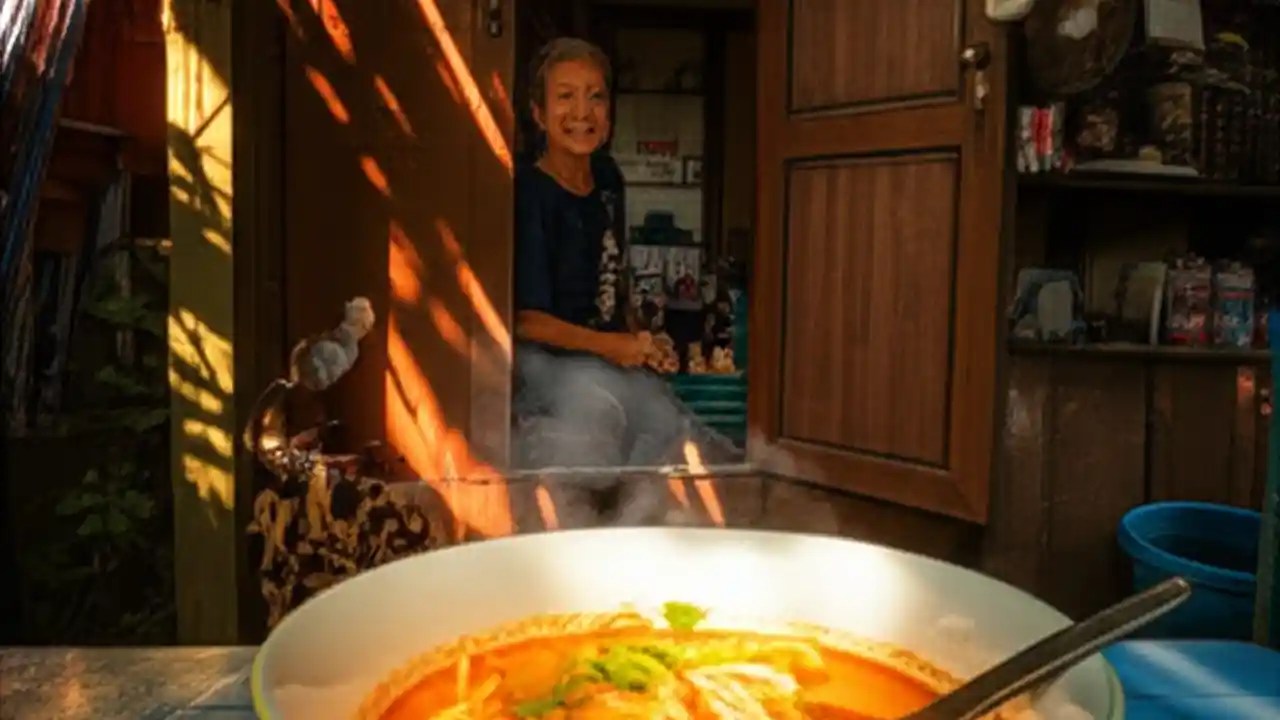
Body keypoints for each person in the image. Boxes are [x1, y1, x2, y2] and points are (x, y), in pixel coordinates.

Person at [512, 38, 733, 524]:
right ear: (539, 112)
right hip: (548, 357)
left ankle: (628, 531)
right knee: (602, 415)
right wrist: (614, 348)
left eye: (595, 96)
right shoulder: (530, 191)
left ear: (609, 113)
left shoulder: (609, 178)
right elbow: (527, 322)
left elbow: (612, 277)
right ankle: (568, 528)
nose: (582, 112)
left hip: (601, 353)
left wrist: (642, 340)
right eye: (565, 96)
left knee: (667, 422)